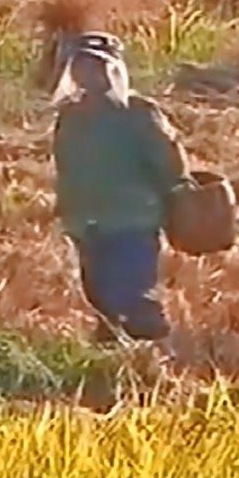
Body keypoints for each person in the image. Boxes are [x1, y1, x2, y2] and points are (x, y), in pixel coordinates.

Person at [48, 35, 190, 348]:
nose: (88, 75)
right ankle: (111, 359)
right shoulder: (71, 115)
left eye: (96, 67)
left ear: (113, 70)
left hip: (131, 219)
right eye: (81, 67)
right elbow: (64, 163)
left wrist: (178, 192)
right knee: (97, 295)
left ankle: (156, 359)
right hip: (86, 221)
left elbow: (168, 158)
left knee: (134, 295)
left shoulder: (138, 113)